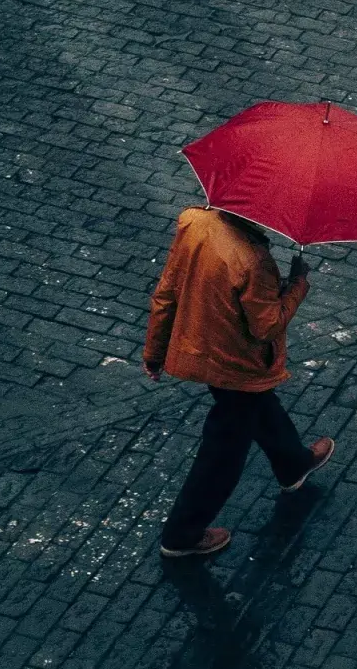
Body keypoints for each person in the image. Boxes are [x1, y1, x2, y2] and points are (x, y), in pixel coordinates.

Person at [143, 206, 334, 558]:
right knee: (223, 453)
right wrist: (296, 286)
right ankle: (182, 535)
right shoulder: (253, 260)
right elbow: (268, 326)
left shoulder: (194, 222)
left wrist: (154, 352)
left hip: (202, 347)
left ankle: (293, 463)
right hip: (238, 365)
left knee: (259, 405)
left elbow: (167, 292)